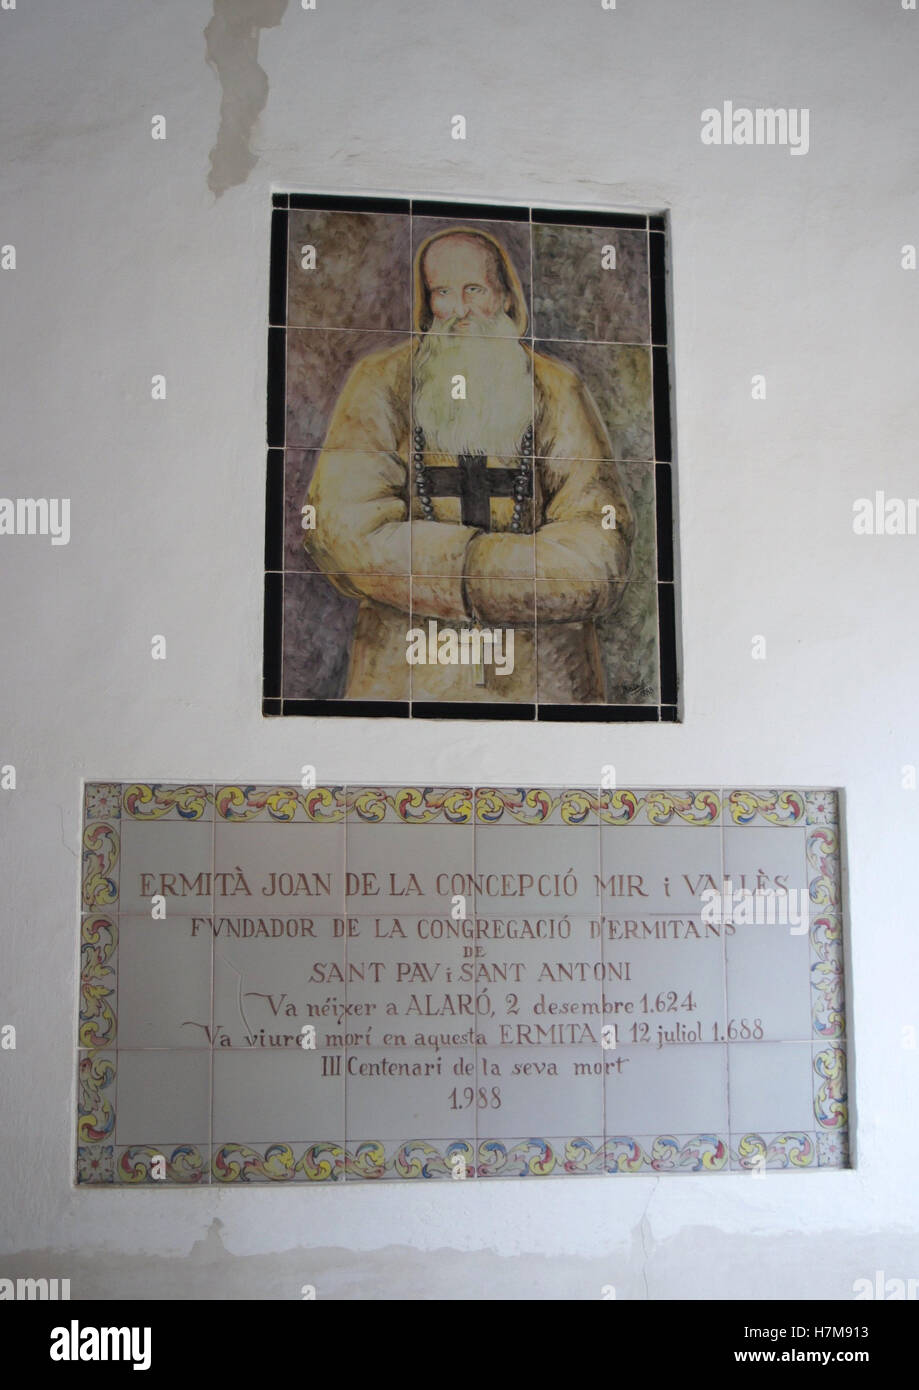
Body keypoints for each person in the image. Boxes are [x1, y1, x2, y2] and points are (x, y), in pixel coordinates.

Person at [303, 226, 633, 703]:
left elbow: (598, 557)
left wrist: (462, 572)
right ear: (427, 301)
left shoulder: (558, 389)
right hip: (407, 675)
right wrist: (500, 572)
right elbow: (343, 532)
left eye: (473, 290)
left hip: (543, 679)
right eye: (442, 292)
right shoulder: (380, 383)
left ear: (505, 296)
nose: (458, 310)